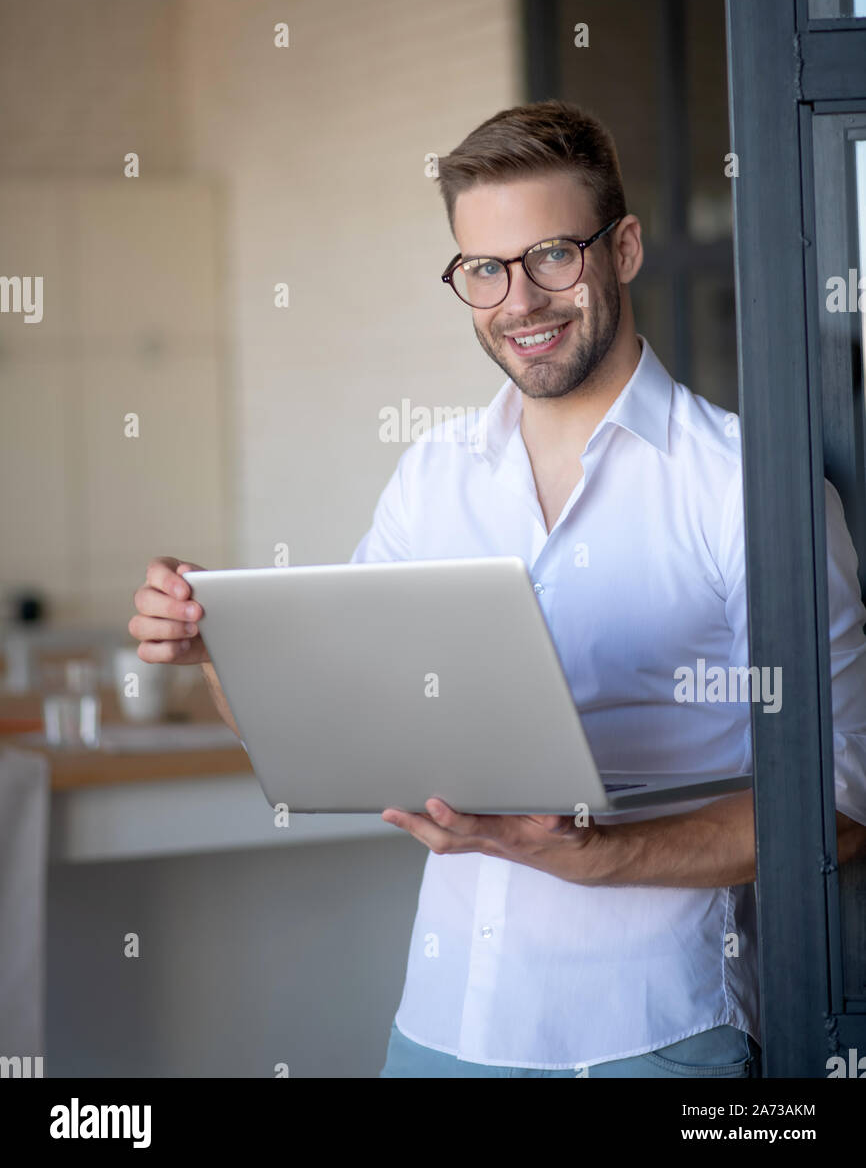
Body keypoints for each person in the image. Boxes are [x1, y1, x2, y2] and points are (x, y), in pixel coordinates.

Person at [129, 100, 866, 1078]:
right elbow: (316, 716)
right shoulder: (431, 475)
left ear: (625, 248)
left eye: (551, 255)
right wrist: (208, 644)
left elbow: (844, 800)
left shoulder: (744, 488)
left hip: (653, 1030)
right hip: (442, 1027)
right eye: (483, 270)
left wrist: (593, 854)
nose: (519, 300)